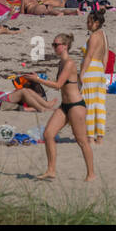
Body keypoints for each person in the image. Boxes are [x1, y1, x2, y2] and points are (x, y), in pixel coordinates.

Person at [31, 33, 97, 181]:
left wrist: (38, 80)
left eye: (56, 45)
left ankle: (91, 174)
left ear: (65, 46)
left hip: (76, 106)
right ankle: (51, 170)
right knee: (48, 134)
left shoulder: (69, 63)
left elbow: (58, 85)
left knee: (81, 141)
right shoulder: (61, 63)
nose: (54, 47)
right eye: (53, 45)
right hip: (65, 105)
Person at [81, 9, 110, 143]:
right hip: (99, 69)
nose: (87, 24)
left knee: (89, 103)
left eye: (89, 22)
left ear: (96, 23)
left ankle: (90, 137)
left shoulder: (93, 36)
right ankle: (100, 136)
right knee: (99, 104)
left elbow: (89, 56)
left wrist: (82, 73)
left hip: (91, 69)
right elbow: (106, 55)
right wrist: (102, 70)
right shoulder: (103, 34)